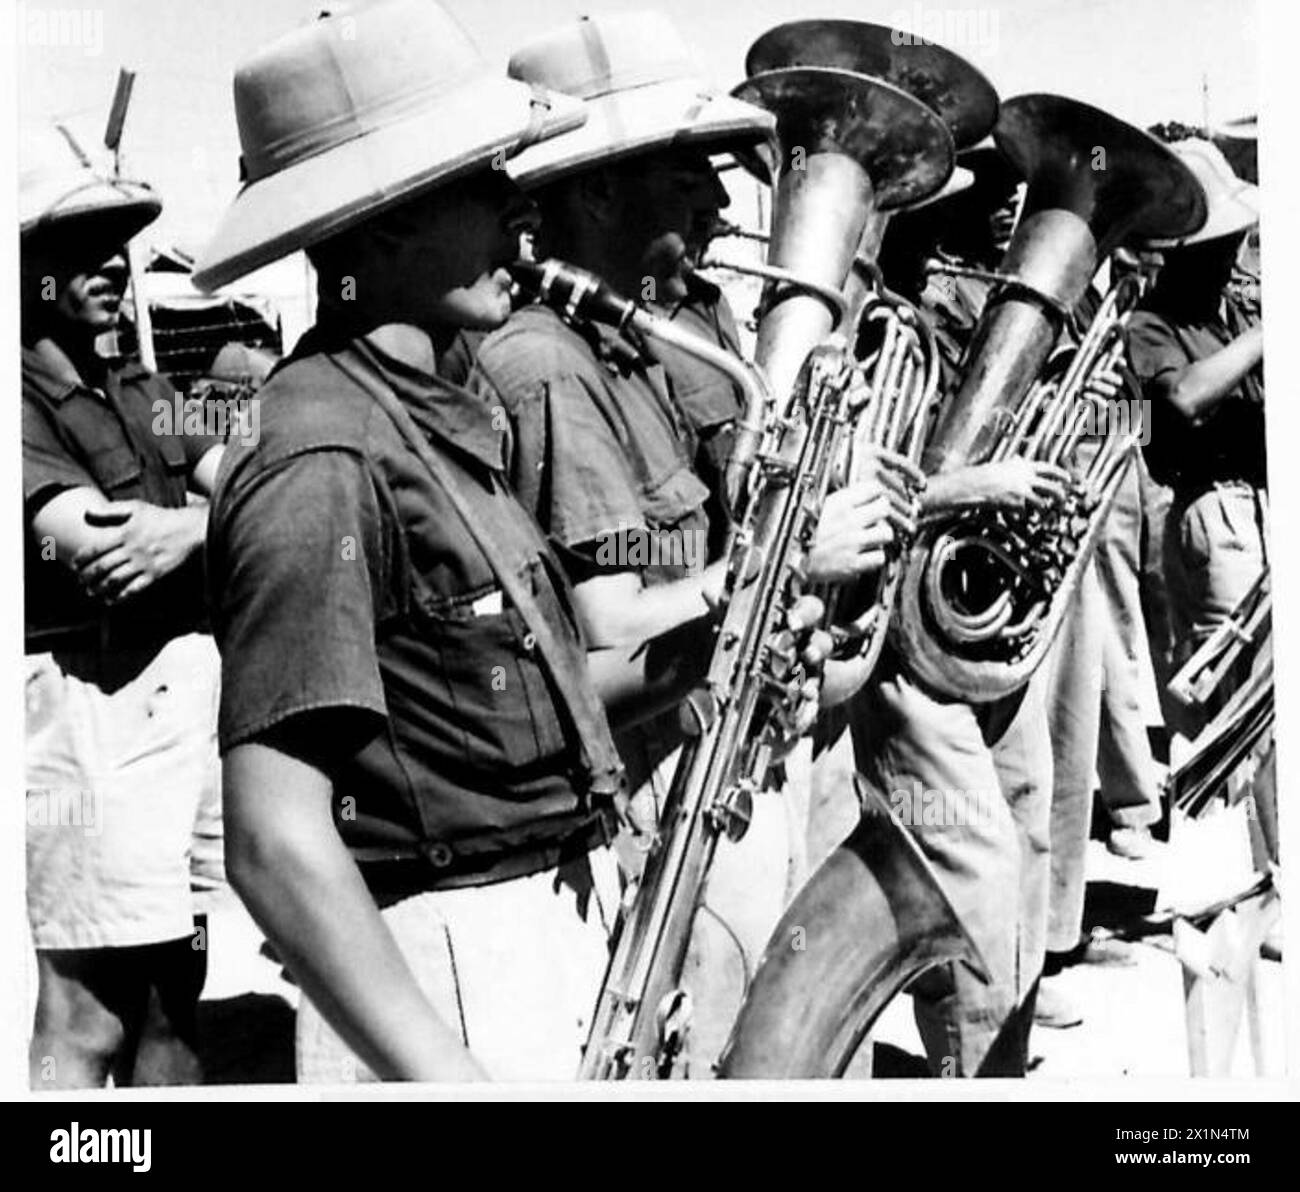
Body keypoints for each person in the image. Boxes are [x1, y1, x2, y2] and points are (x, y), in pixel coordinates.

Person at [193, 0, 827, 1083]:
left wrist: (717, 635)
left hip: (533, 934)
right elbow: (272, 835)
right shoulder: (320, 448)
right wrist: (448, 1073)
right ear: (382, 221)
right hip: (446, 961)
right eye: (478, 182)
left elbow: (536, 688)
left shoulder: (426, 408)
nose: (516, 212)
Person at [472, 10, 917, 1070]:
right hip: (660, 789)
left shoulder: (657, 341)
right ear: (592, 192)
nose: (720, 202)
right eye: (685, 179)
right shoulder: (546, 364)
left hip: (720, 752)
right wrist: (787, 568)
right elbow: (610, 644)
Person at [847, 150, 1060, 1076]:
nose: (1004, 206)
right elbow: (851, 491)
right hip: (902, 630)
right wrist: (978, 483)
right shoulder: (867, 327)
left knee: (1027, 818)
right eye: (980, 191)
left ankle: (1005, 1026)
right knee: (971, 861)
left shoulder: (965, 315)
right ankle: (971, 1065)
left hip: (979, 625)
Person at [22, 123, 224, 1087]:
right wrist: (205, 519)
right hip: (89, 709)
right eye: (81, 244)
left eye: (121, 240)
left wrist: (189, 529)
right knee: (88, 1013)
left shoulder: (140, 383)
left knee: (176, 1010)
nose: (114, 262)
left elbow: (260, 471)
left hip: (179, 704)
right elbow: (101, 549)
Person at [1127, 139, 1265, 688]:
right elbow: (1183, 399)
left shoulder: (1234, 306)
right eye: (1223, 239)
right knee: (1239, 695)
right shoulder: (1151, 322)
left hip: (1261, 500)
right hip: (1214, 511)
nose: (1236, 249)